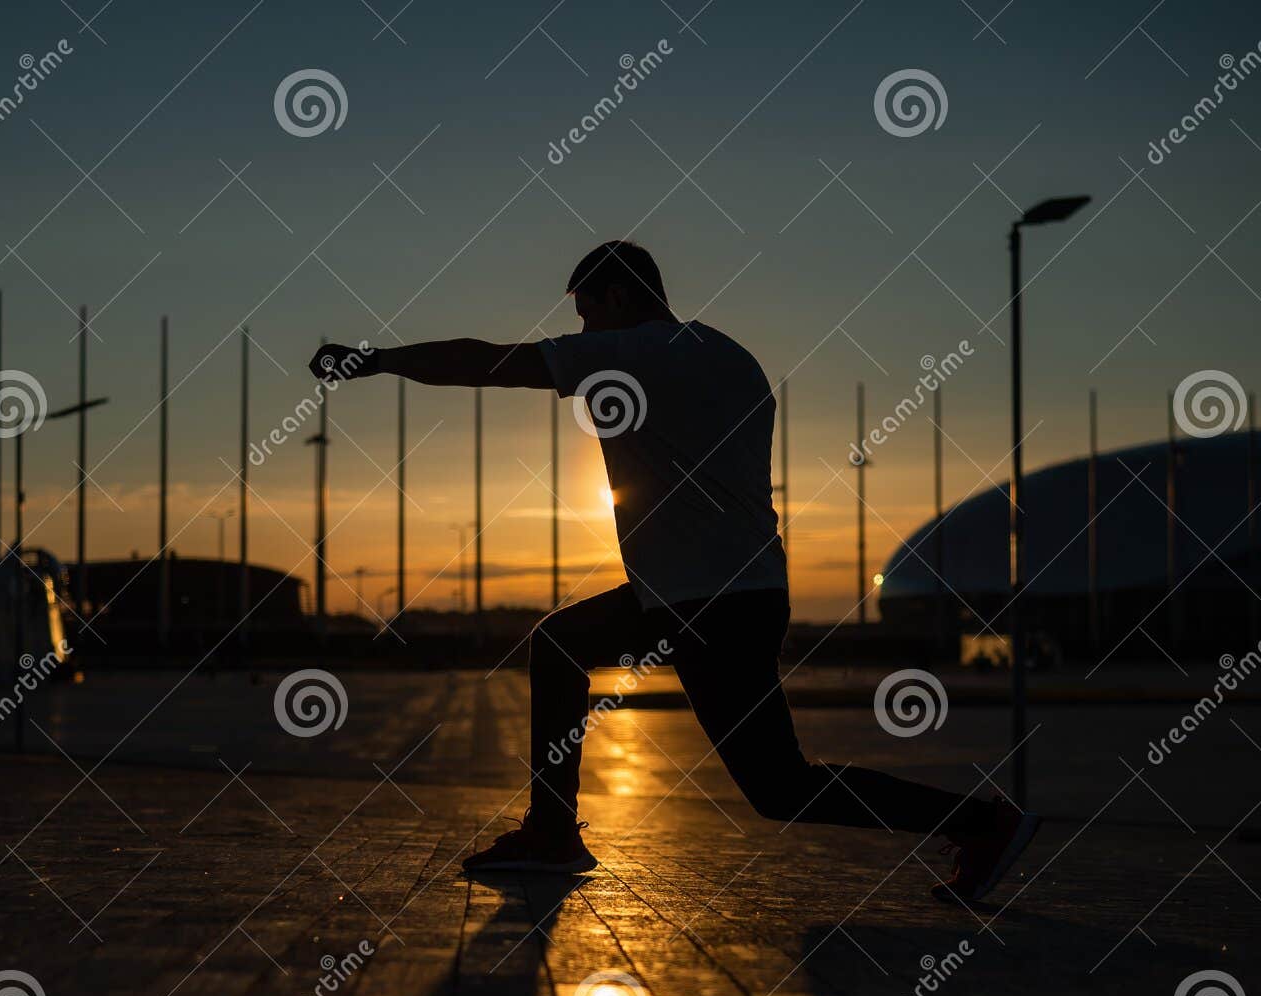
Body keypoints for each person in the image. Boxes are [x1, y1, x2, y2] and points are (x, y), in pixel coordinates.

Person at [308, 240, 1039, 903]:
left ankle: (981, 821)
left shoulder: (633, 352)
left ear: (622, 298)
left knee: (778, 784)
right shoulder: (732, 357)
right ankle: (553, 831)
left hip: (702, 602)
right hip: (735, 592)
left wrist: (378, 361)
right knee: (577, 654)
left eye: (589, 313)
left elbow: (489, 362)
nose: (584, 335)